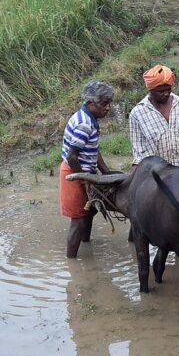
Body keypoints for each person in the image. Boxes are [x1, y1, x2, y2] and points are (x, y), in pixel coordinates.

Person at [60, 81, 114, 259]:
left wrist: (106, 172)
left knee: (89, 211)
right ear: (91, 103)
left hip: (83, 171)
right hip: (73, 173)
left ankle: (86, 243)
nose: (108, 108)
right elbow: (72, 156)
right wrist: (83, 179)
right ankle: (73, 264)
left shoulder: (89, 118)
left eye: (109, 103)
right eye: (104, 104)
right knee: (78, 219)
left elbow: (93, 149)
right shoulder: (84, 124)